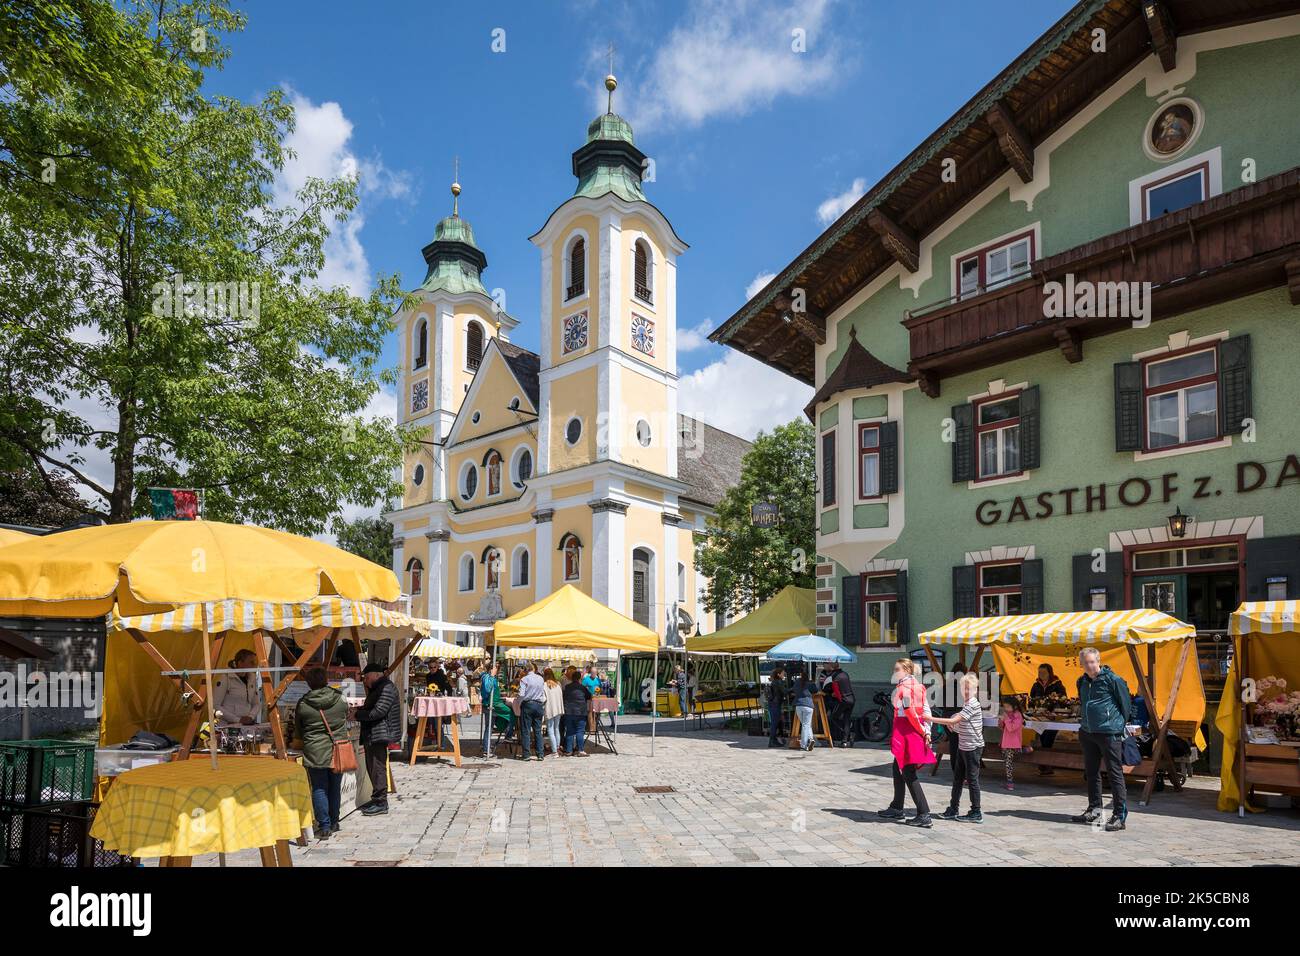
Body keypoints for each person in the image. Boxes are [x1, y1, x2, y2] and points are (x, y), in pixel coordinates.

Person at [1074, 646, 1134, 832]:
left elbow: (1125, 705)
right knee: (1091, 773)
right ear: (1082, 664)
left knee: (1114, 773)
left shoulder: (1113, 680)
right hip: (1088, 732)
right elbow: (1083, 703)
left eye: (1092, 662)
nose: (1090, 666)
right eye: (1086, 663)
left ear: (1098, 661)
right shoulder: (1081, 682)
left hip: (1109, 733)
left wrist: (1115, 725)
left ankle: (1119, 815)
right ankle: (1094, 809)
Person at [293, 664, 349, 840]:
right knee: (334, 787)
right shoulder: (340, 699)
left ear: (308, 683)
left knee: (319, 787)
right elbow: (344, 717)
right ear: (326, 680)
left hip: (315, 749)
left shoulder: (303, 703)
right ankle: (334, 821)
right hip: (337, 748)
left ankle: (324, 826)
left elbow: (299, 731)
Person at [878, 658, 936, 827]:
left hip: (908, 731)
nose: (894, 672)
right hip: (909, 730)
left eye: (897, 669)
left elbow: (910, 712)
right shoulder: (918, 686)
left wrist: (923, 730)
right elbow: (925, 709)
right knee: (898, 768)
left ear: (907, 671)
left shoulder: (904, 688)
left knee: (908, 772)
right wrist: (927, 730)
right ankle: (897, 806)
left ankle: (924, 813)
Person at [929, 673, 985, 823]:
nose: (966, 691)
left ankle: (976, 812)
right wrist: (953, 726)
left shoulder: (973, 704)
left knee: (972, 780)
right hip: (963, 746)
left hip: (972, 748)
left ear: (975, 689)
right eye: (964, 688)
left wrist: (930, 718)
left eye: (969, 688)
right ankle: (953, 809)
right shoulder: (966, 704)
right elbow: (961, 726)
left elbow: (955, 720)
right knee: (958, 778)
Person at [354, 663, 400, 815]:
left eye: (367, 677)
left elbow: (378, 712)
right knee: (373, 767)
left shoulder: (386, 687)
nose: (365, 681)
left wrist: (357, 715)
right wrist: (359, 711)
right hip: (374, 733)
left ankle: (381, 802)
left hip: (380, 733)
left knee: (377, 767)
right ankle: (377, 799)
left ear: (376, 675)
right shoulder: (379, 687)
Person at [1029, 663, 1067, 775]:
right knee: (1042, 738)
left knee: (1048, 740)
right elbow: (1031, 700)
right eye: (1039, 672)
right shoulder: (1036, 685)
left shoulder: (1057, 684)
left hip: (1052, 718)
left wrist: (1055, 702)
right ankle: (1045, 764)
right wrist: (1031, 709)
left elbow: (1064, 699)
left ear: (1049, 673)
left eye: (1043, 672)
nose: (1041, 674)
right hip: (1038, 717)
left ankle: (1045, 763)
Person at [213, 649, 263, 725]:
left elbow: (256, 704)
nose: (254, 665)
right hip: (227, 726)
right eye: (251, 662)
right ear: (240, 663)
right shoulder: (226, 678)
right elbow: (215, 705)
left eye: (255, 662)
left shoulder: (252, 679)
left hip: (245, 727)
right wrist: (237, 719)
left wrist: (251, 717)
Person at [516, 664, 547, 761]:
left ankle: (526, 754)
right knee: (537, 730)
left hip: (528, 704)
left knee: (526, 730)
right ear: (533, 669)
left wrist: (519, 703)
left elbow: (521, 694)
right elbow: (542, 693)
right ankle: (540, 754)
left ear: (526, 670)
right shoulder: (540, 679)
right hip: (538, 705)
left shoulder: (524, 679)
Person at [562, 666, 592, 756]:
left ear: (572, 678)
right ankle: (580, 750)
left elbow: (564, 697)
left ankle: (569, 750)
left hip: (569, 712)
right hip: (580, 712)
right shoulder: (582, 688)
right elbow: (589, 696)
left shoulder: (567, 687)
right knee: (580, 731)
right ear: (579, 678)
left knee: (570, 731)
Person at [998, 698, 1027, 791]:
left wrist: (1006, 719)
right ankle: (1022, 750)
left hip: (1013, 743)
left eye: (1007, 706)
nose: (1005, 708)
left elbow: (1011, 728)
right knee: (1006, 759)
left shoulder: (1018, 715)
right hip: (1006, 742)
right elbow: (1002, 727)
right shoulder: (1007, 714)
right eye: (1004, 706)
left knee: (1008, 763)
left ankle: (1010, 782)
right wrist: (1001, 721)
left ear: (1014, 706)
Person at [828, 663, 856, 748]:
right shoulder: (845, 674)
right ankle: (845, 740)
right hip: (852, 699)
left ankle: (846, 734)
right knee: (846, 719)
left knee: (833, 717)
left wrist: (833, 694)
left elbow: (836, 691)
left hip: (843, 700)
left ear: (832, 666)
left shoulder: (833, 676)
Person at [479, 662, 502, 758]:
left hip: (493, 704)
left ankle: (487, 745)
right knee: (489, 727)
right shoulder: (487, 677)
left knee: (490, 727)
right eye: (496, 668)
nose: (497, 670)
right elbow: (488, 689)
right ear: (491, 669)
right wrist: (492, 677)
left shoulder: (490, 677)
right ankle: (486, 749)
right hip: (489, 705)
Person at [792, 668, 815, 752]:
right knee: (806, 725)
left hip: (798, 705)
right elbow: (815, 691)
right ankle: (804, 744)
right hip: (808, 705)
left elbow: (793, 690)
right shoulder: (810, 683)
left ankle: (810, 740)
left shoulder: (797, 682)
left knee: (805, 724)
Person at [543, 667, 564, 756]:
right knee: (556, 729)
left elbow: (543, 698)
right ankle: (557, 747)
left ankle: (555, 751)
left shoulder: (544, 685)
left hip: (550, 708)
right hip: (558, 709)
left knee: (551, 730)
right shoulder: (558, 684)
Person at [766, 665, 787, 748]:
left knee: (775, 722)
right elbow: (784, 691)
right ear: (778, 674)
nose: (784, 675)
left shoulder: (774, 681)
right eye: (783, 673)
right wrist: (795, 688)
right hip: (775, 704)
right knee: (774, 723)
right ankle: (772, 741)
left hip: (773, 704)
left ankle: (774, 740)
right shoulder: (778, 682)